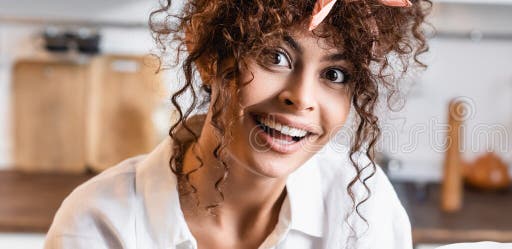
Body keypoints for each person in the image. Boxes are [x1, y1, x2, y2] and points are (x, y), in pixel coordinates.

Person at [44, 0, 430, 248]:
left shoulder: (361, 203)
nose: (302, 98)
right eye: (275, 57)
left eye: (335, 74)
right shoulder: (100, 222)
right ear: (209, 57)